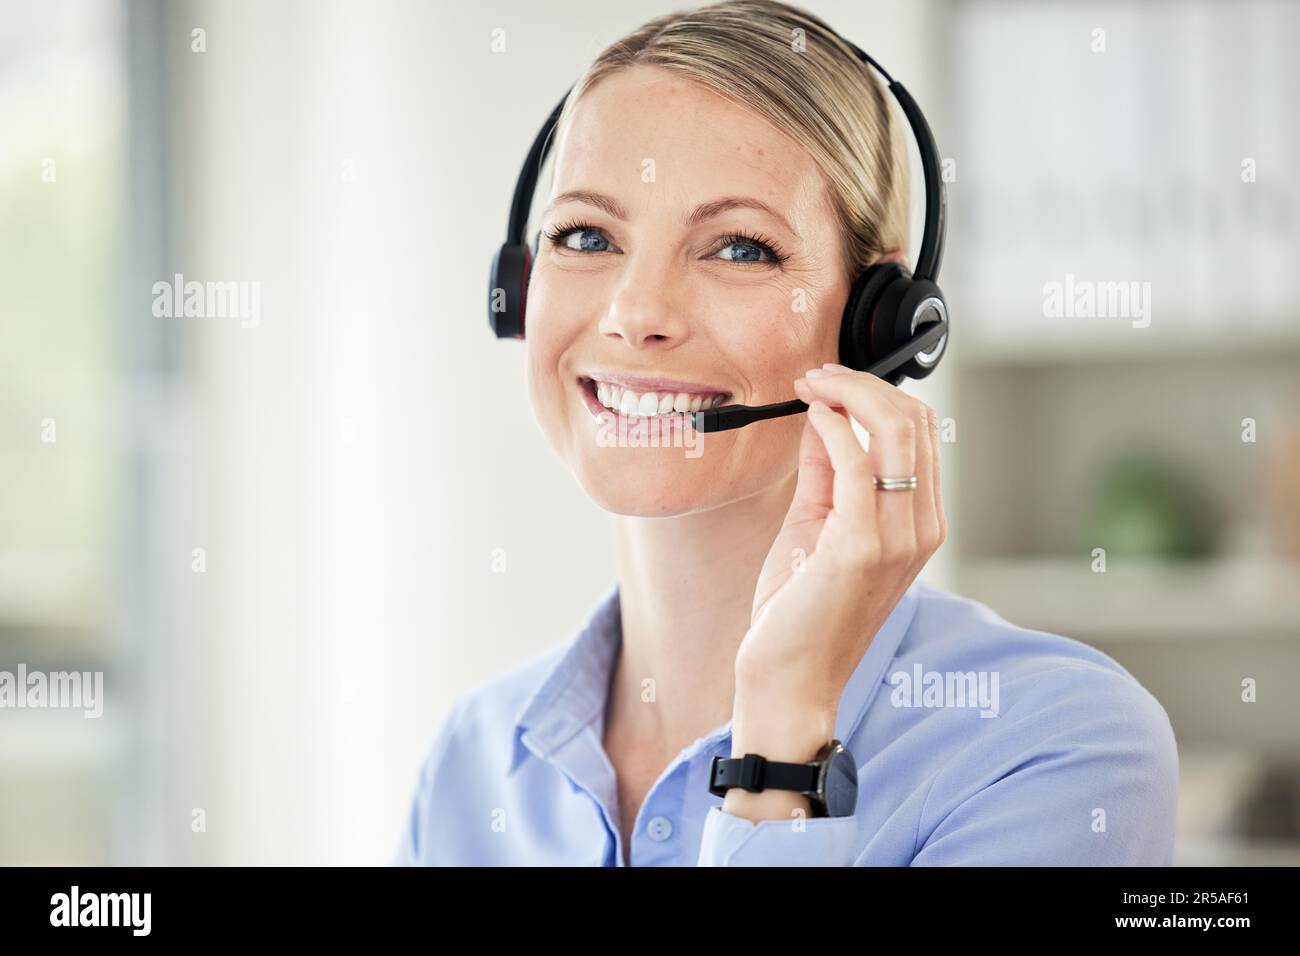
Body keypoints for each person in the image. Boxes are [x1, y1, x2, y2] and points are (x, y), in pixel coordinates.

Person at [394, 0, 1178, 866]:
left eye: (738, 249)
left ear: (880, 325)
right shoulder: (476, 761)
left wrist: (784, 722)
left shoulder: (1053, 745)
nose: (636, 313)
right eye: (585, 235)